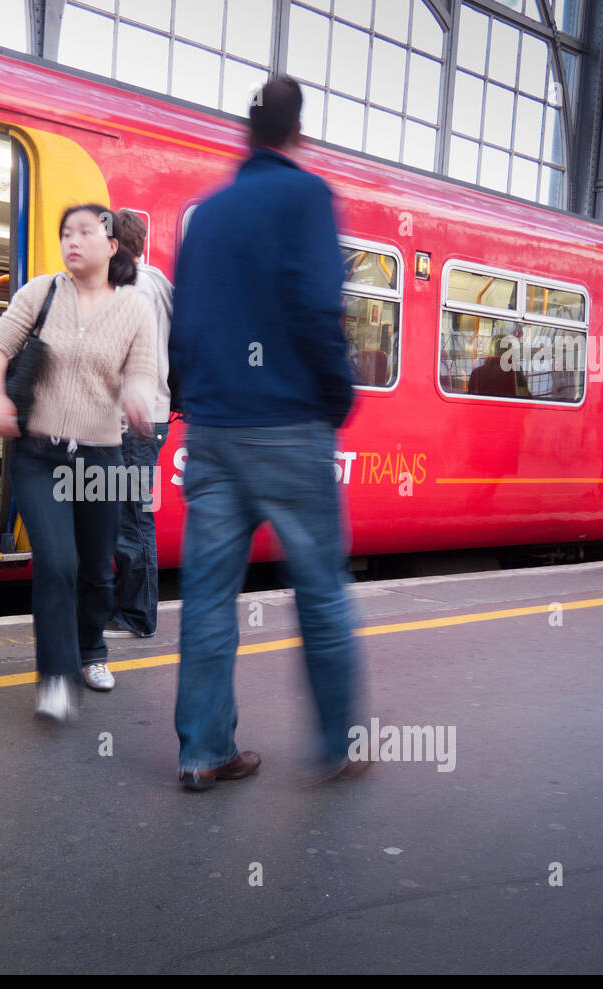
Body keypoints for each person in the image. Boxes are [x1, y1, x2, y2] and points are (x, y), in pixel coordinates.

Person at [168, 77, 359, 791]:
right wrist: (333, 399)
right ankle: (335, 746)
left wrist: (198, 398)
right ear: (296, 133)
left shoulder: (208, 213)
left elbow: (183, 325)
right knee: (320, 590)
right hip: (288, 427)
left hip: (214, 433)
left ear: (248, 133)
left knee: (210, 597)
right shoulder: (306, 196)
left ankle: (203, 752)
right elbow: (316, 308)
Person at [0, 205, 156, 721]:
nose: (71, 241)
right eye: (65, 233)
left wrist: (138, 397)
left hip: (102, 457)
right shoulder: (40, 292)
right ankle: (55, 675)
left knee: (99, 570)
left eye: (84, 232)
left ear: (112, 245)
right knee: (58, 564)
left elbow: (142, 372)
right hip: (39, 454)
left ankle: (92, 649)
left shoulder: (134, 310)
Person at [105, 209, 172, 640]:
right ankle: (129, 608)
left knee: (131, 519)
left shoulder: (132, 287)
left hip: (134, 420)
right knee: (128, 516)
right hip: (152, 415)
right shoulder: (161, 283)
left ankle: (138, 617)